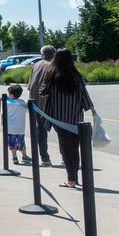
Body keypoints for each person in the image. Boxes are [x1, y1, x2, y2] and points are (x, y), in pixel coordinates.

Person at [36, 48, 94, 189]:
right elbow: (84, 95)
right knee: (75, 147)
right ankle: (75, 178)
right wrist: (93, 111)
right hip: (75, 118)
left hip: (59, 118)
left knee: (66, 147)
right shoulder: (76, 76)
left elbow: (42, 91)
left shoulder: (52, 75)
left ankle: (71, 180)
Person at [26, 44, 56, 165]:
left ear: (42, 55)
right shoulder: (53, 66)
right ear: (54, 55)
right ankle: (65, 158)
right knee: (61, 130)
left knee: (41, 131)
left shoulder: (35, 65)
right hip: (50, 103)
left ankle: (45, 158)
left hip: (35, 103)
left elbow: (30, 86)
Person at [5, 83, 28, 165]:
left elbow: (3, 114)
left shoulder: (7, 103)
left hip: (10, 128)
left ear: (10, 94)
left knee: (12, 143)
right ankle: (24, 155)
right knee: (21, 142)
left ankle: (14, 157)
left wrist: (2, 123)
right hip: (21, 128)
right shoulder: (23, 103)